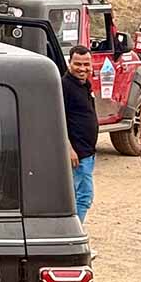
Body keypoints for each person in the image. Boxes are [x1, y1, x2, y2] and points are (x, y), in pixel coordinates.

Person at [62, 45, 98, 222]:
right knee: (82, 196)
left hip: (87, 152)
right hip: (77, 154)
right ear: (70, 63)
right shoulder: (65, 87)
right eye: (78, 64)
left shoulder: (85, 85)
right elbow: (57, 120)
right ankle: (73, 233)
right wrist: (68, 148)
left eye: (86, 64)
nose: (82, 69)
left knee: (82, 196)